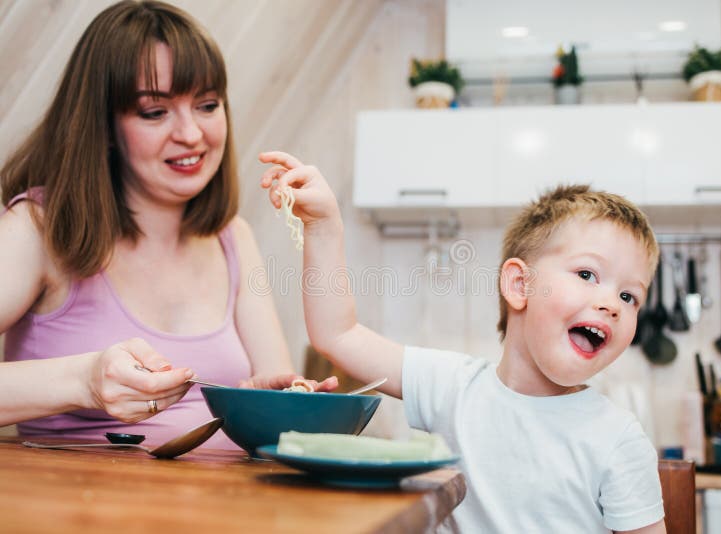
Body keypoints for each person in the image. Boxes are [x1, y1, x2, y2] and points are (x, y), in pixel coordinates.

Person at [259, 151, 666, 533]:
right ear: (520, 284)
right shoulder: (453, 386)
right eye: (588, 275)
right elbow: (338, 335)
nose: (612, 304)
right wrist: (324, 226)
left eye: (629, 296)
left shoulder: (620, 439)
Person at [0, 1, 335, 448]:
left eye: (207, 105)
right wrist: (82, 380)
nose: (192, 135)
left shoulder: (233, 237)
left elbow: (273, 389)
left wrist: (270, 403)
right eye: (155, 112)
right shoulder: (38, 228)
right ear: (103, 127)